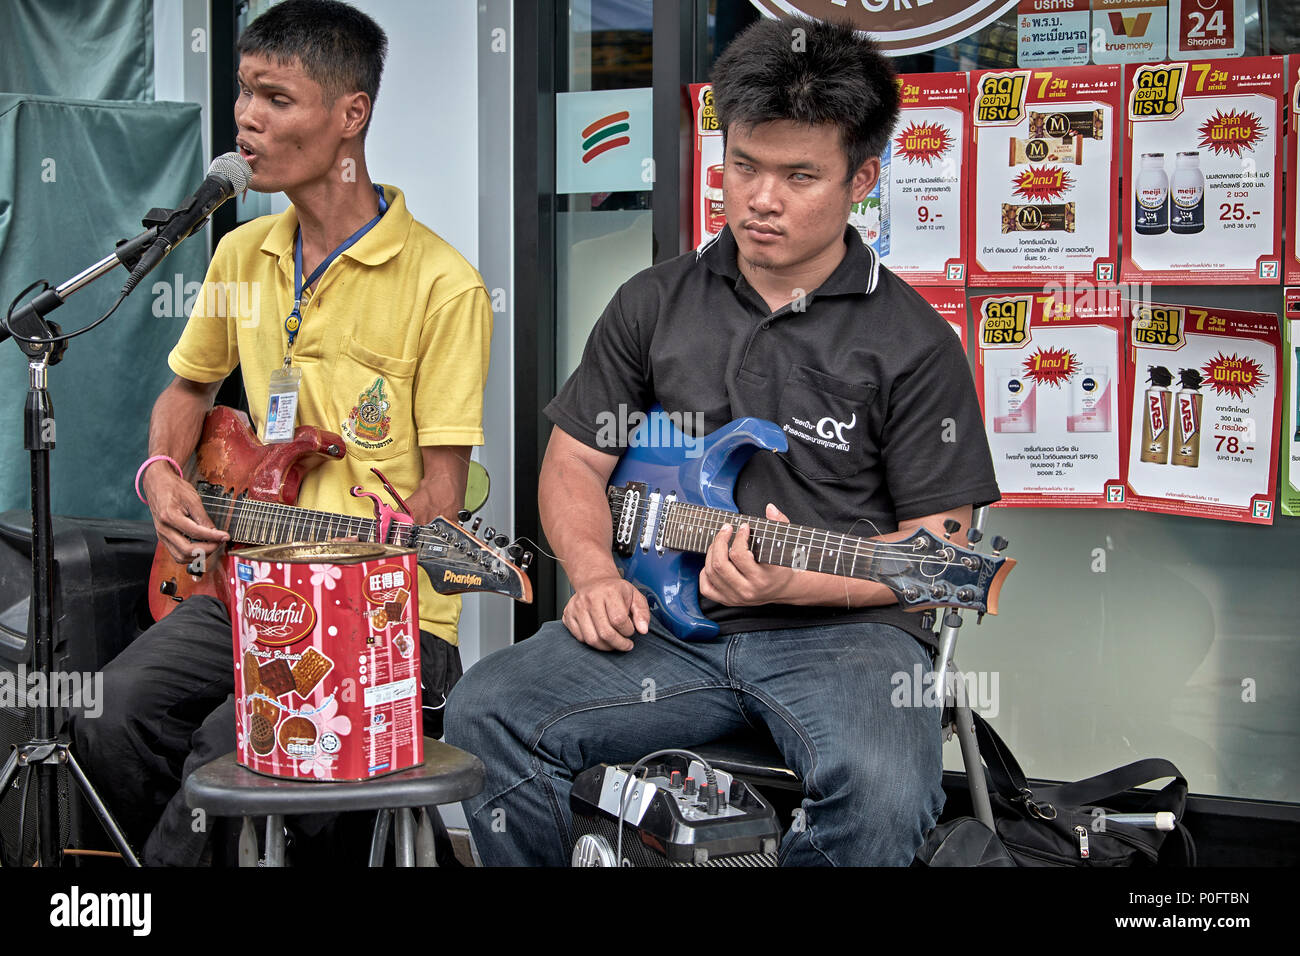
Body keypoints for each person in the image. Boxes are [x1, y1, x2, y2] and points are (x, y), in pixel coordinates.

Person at [444, 16, 999, 866]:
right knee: (486, 709)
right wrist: (592, 576)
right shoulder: (654, 301)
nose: (760, 198)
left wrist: (796, 580)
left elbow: (941, 547)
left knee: (882, 793)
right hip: (662, 628)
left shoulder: (914, 342)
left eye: (799, 174)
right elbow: (574, 464)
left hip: (847, 641)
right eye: (744, 165)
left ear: (864, 178)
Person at [71, 0, 492, 866]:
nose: (248, 121)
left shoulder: (445, 285)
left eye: (275, 98)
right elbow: (185, 392)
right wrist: (159, 473)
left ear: (351, 115)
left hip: (380, 613)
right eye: (242, 98)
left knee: (240, 741)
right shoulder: (239, 254)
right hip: (243, 585)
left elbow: (444, 492)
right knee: (108, 708)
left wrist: (373, 551)